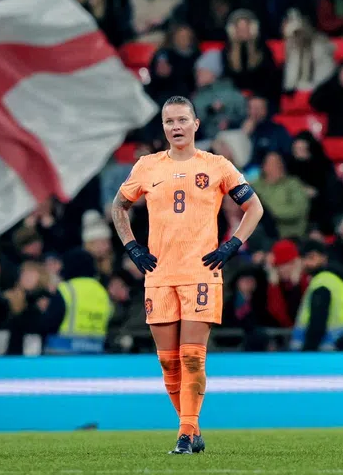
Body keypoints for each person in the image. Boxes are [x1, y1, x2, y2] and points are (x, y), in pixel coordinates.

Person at [111, 95, 265, 455]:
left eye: (182, 120)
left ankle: (186, 433)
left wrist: (232, 244)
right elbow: (119, 206)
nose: (176, 127)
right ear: (163, 128)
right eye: (169, 122)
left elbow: (253, 206)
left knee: (192, 356)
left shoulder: (217, 165)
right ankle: (191, 430)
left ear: (196, 124)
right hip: (160, 274)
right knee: (168, 363)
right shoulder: (147, 166)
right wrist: (133, 247)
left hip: (200, 272)